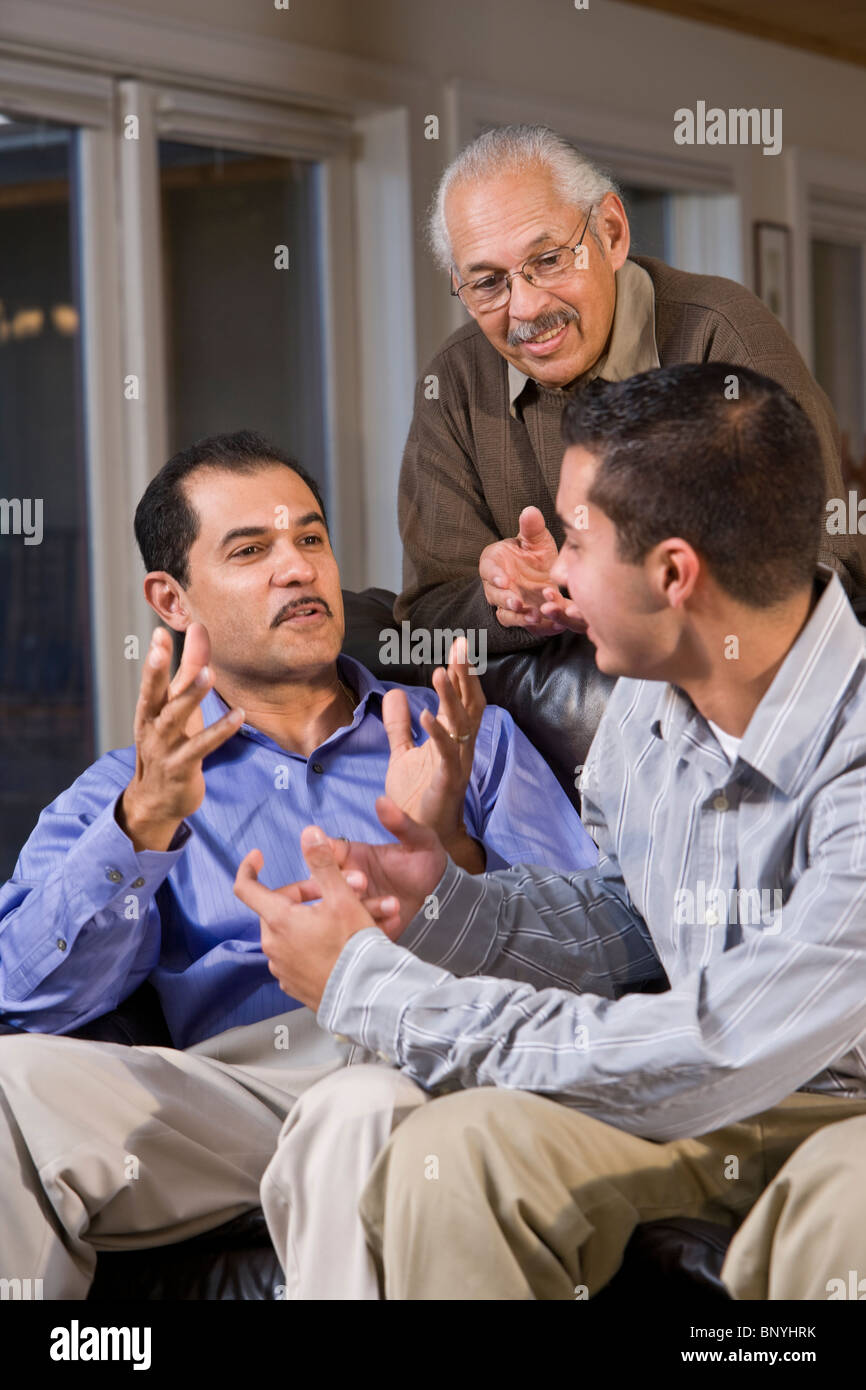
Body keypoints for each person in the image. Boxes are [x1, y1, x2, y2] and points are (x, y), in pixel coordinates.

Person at [235, 365, 866, 1300]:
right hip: (714, 1096)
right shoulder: (647, 707)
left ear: (672, 573)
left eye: (575, 537)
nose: (553, 571)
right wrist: (443, 906)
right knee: (458, 1158)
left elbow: (715, 1047)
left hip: (830, 1105)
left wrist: (372, 984)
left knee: (843, 1208)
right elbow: (631, 914)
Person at [0, 429, 594, 1300]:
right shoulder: (135, 783)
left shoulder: (463, 734)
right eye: (251, 550)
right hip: (233, 1097)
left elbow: (592, 951)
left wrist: (450, 855)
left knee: (356, 1112)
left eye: (309, 538)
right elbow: (24, 999)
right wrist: (141, 829)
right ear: (172, 598)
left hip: (425, 1067)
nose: (298, 568)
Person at [396, 124, 865, 652]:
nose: (525, 308)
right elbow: (425, 620)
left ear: (612, 234)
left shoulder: (721, 335)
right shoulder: (454, 381)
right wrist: (503, 601)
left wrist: (609, 591)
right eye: (487, 283)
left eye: (549, 260)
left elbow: (826, 563)